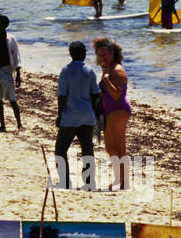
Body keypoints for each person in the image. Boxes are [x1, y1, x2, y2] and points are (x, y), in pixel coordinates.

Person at [54, 41, 101, 189]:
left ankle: (65, 181)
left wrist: (60, 114)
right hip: (87, 115)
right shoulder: (90, 71)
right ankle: (88, 182)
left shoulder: (66, 70)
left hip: (70, 116)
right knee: (87, 149)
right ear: (85, 54)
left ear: (70, 54)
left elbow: (62, 94)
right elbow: (95, 94)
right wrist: (94, 112)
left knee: (61, 149)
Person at [95, 37, 132, 190]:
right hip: (109, 111)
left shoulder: (117, 70)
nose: (102, 57)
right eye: (99, 55)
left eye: (104, 54)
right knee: (110, 147)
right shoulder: (108, 69)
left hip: (119, 111)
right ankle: (118, 179)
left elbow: (117, 94)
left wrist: (106, 80)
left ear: (112, 52)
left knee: (119, 147)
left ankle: (124, 182)